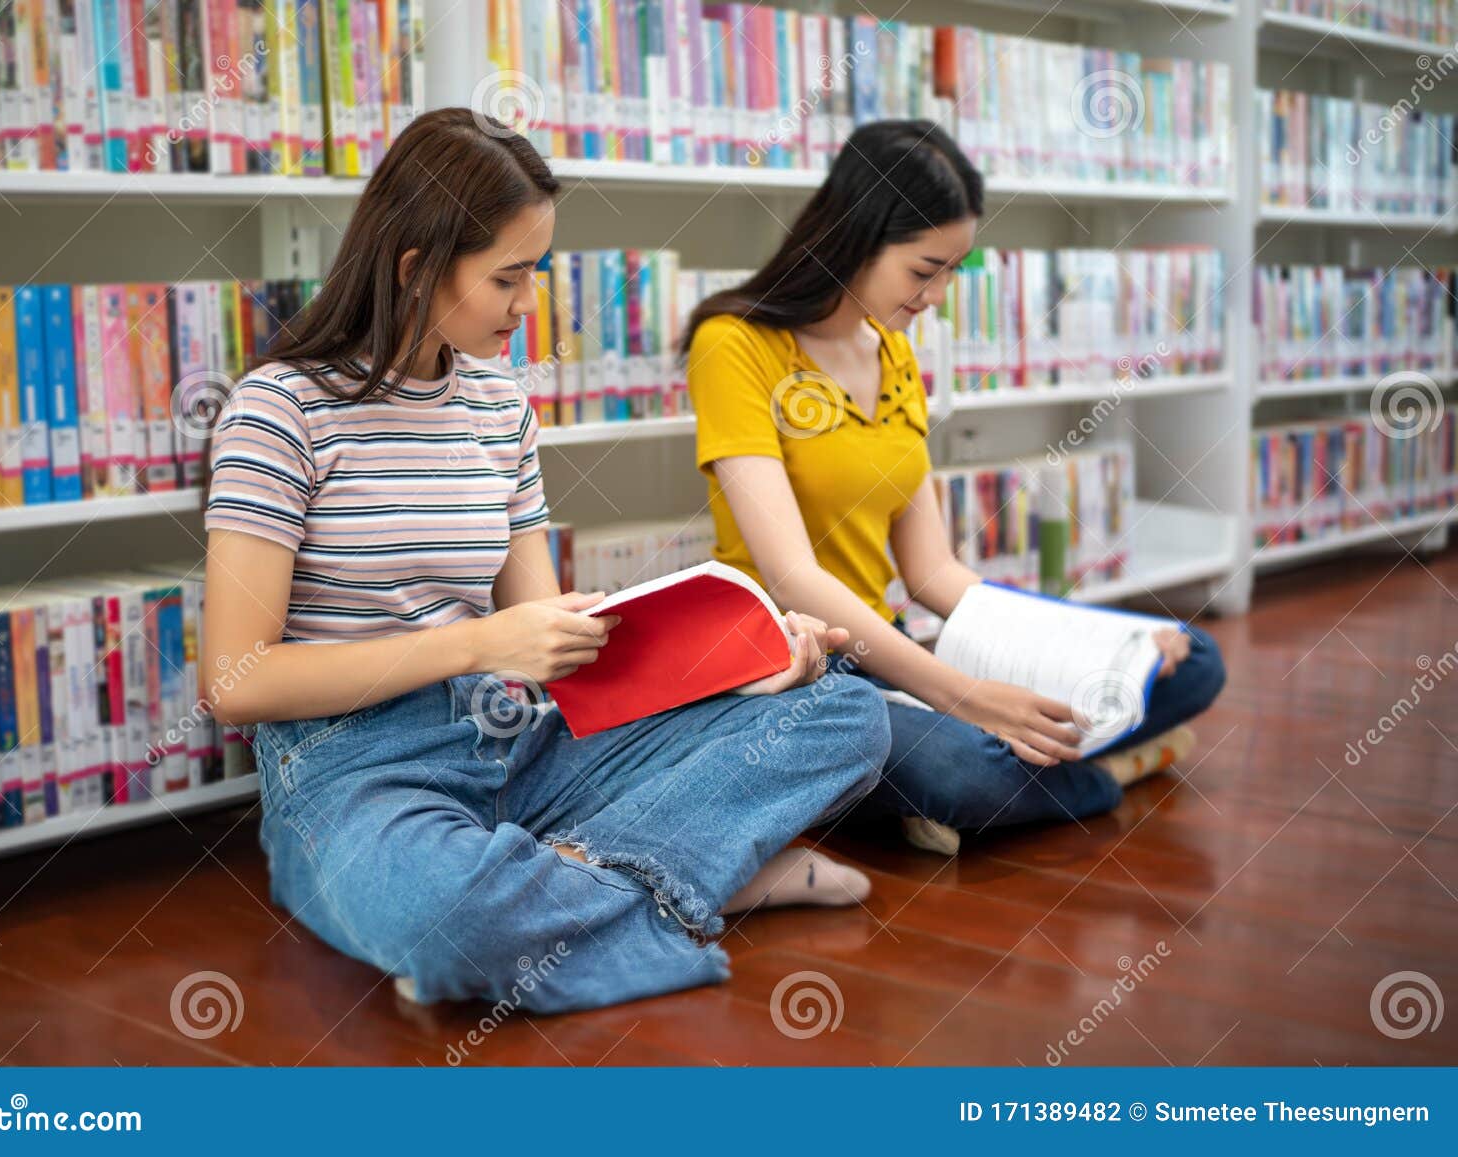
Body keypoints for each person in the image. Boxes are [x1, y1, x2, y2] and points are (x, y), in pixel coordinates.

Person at [198, 108, 892, 1014]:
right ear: (414, 268)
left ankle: (572, 878)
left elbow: (556, 650)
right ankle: (689, 877)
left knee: (845, 710)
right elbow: (237, 682)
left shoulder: (499, 406)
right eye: (508, 277)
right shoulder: (278, 411)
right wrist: (480, 645)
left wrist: (735, 672)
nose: (529, 306)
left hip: (515, 745)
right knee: (450, 915)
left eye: (538, 272)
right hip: (353, 777)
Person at [682, 119, 1226, 856]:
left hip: (886, 647)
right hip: (789, 666)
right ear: (856, 236)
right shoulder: (734, 345)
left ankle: (921, 792)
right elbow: (791, 576)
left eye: (952, 272)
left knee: (1187, 659)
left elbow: (934, 573)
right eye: (924, 270)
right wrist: (966, 697)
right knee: (964, 770)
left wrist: (1114, 642)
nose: (937, 295)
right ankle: (1107, 774)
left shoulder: (894, 352)